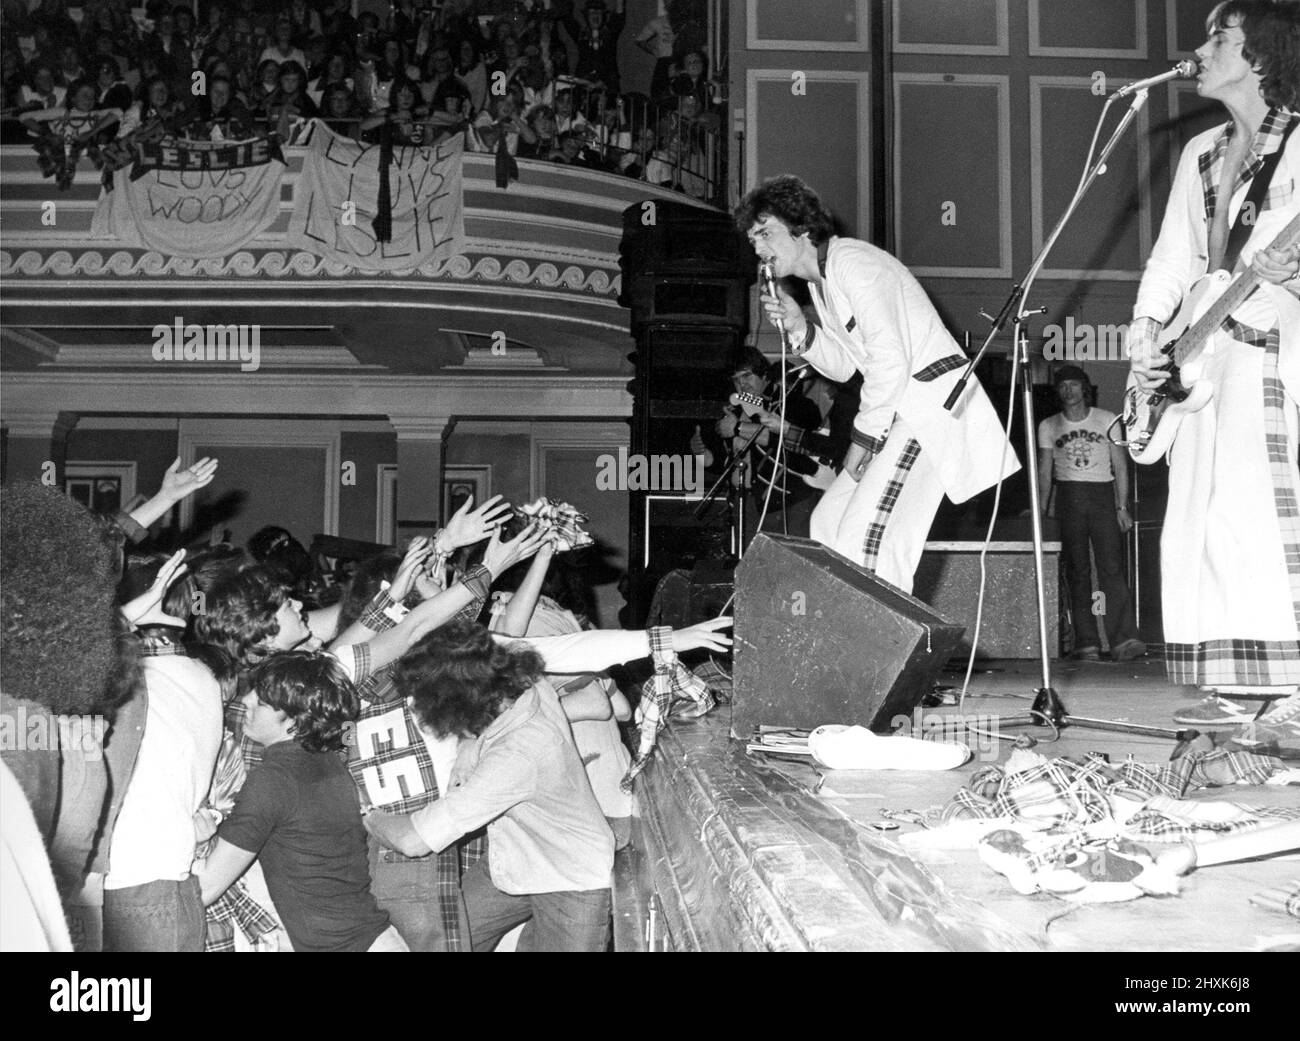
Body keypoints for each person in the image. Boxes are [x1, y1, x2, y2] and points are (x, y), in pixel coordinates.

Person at [1128, 0, 1300, 733]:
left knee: (1258, 514)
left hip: (1265, 343)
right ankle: (1237, 683)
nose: (1200, 49)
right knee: (1198, 519)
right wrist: (1144, 330)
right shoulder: (1201, 151)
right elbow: (1173, 255)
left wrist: (1288, 274)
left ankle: (1291, 684)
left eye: (1219, 37)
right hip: (1199, 356)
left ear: (1261, 53)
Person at [363, 615, 731, 952]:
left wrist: (369, 814)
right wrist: (469, 744)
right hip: (516, 862)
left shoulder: (517, 756)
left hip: (571, 878)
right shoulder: (527, 687)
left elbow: (414, 840)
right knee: (446, 942)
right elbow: (574, 647)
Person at [739, 175, 1020, 594]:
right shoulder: (825, 284)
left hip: (925, 412)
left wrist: (864, 438)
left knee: (865, 538)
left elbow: (890, 359)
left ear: (800, 227)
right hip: (898, 412)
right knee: (827, 524)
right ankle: (852, 642)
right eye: (752, 238)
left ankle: (878, 650)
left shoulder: (854, 264)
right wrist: (799, 327)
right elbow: (848, 368)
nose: (757, 247)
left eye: (765, 232)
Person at [198, 652, 406, 952]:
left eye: (263, 700)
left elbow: (207, 887)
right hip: (374, 939)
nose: (246, 702)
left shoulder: (273, 780)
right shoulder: (330, 763)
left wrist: (199, 841)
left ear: (294, 719)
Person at [1036, 365, 1146, 663]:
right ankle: (1087, 643)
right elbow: (1045, 473)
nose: (1068, 391)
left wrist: (1121, 507)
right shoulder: (1048, 426)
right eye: (1063, 386)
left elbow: (1121, 466)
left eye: (1074, 385)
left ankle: (1124, 640)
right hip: (1068, 497)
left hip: (1102, 496)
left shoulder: (1107, 420)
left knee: (1111, 568)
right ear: (1058, 391)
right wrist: (1041, 511)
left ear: (1084, 389)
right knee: (1077, 572)